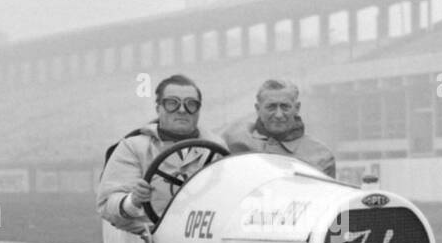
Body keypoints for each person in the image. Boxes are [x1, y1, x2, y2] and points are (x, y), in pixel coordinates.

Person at [96, 74, 226, 231]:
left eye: (191, 104)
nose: (182, 110)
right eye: (172, 103)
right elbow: (107, 205)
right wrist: (133, 200)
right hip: (149, 241)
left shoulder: (217, 147)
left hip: (203, 237)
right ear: (158, 108)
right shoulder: (133, 147)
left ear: (198, 110)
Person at [222, 78, 336, 176]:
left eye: (285, 107)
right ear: (258, 109)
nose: (278, 115)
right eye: (271, 107)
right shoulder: (233, 139)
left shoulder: (321, 156)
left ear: (297, 108)